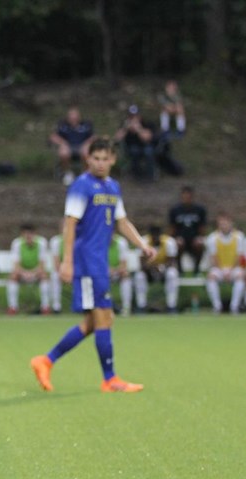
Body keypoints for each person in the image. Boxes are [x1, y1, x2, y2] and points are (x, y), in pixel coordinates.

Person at [30, 137, 156, 394]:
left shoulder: (112, 187)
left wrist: (142, 245)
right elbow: (70, 223)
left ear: (112, 159)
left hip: (99, 261)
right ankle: (109, 379)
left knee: (95, 321)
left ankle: (46, 360)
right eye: (95, 158)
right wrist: (67, 262)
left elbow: (122, 222)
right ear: (88, 159)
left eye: (104, 158)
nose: (100, 163)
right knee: (103, 318)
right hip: (87, 261)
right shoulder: (81, 186)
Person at [203, 212, 246, 314]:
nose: (224, 226)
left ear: (231, 223)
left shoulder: (239, 237)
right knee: (211, 276)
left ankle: (234, 306)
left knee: (240, 275)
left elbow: (239, 257)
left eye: (226, 223)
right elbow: (214, 257)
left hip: (234, 267)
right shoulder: (212, 238)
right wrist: (223, 271)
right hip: (219, 268)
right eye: (221, 224)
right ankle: (217, 306)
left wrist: (230, 271)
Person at [6, 224, 50, 315]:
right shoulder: (17, 243)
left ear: (35, 234)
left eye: (31, 234)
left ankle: (45, 307)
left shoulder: (42, 243)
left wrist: (33, 273)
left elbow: (42, 265)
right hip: (22, 273)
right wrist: (25, 273)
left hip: (36, 273)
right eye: (26, 234)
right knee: (13, 276)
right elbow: (16, 265)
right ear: (22, 234)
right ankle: (13, 307)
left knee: (44, 276)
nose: (28, 236)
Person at [134, 224, 179, 313]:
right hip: (148, 272)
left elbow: (172, 262)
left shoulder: (169, 242)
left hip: (164, 271)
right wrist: (152, 268)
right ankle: (141, 306)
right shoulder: (143, 242)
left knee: (172, 274)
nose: (155, 238)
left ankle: (171, 306)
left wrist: (162, 268)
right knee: (139, 276)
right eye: (153, 236)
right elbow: (142, 263)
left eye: (157, 235)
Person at [48, 106, 95, 186]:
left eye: (75, 116)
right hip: (68, 147)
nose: (73, 119)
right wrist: (62, 142)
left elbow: (94, 137)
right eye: (71, 117)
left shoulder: (86, 125)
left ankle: (85, 174)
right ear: (68, 117)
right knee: (64, 152)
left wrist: (87, 143)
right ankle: (67, 173)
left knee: (86, 151)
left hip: (82, 146)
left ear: (79, 117)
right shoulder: (63, 126)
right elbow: (53, 137)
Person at [168, 185, 207, 274]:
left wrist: (200, 237)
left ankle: (197, 269)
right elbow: (172, 228)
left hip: (194, 238)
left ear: (192, 197)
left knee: (199, 243)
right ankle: (180, 269)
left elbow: (202, 227)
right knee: (178, 243)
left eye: (188, 196)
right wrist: (173, 238)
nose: (186, 198)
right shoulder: (175, 210)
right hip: (181, 238)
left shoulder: (200, 210)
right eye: (184, 196)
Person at [113, 105, 156, 181]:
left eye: (135, 116)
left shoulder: (146, 123)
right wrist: (125, 128)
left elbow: (147, 138)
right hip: (132, 148)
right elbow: (117, 139)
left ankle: (150, 175)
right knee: (134, 151)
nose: (133, 118)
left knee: (148, 151)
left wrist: (138, 129)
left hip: (146, 147)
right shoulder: (125, 124)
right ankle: (136, 174)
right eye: (131, 116)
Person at [47, 231, 64, 314]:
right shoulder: (56, 241)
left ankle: (84, 306)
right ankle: (56, 307)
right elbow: (56, 262)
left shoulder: (79, 239)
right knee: (55, 276)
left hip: (77, 270)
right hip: (62, 271)